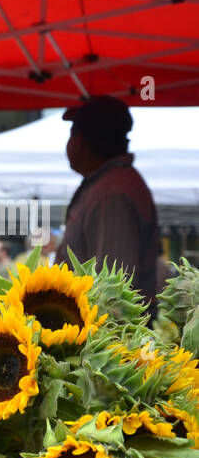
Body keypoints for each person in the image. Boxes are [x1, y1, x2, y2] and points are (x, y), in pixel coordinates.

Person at [55, 96, 160, 313]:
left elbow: (115, 293)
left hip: (108, 338)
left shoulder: (112, 195)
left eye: (72, 134)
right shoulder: (107, 186)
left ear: (81, 141)